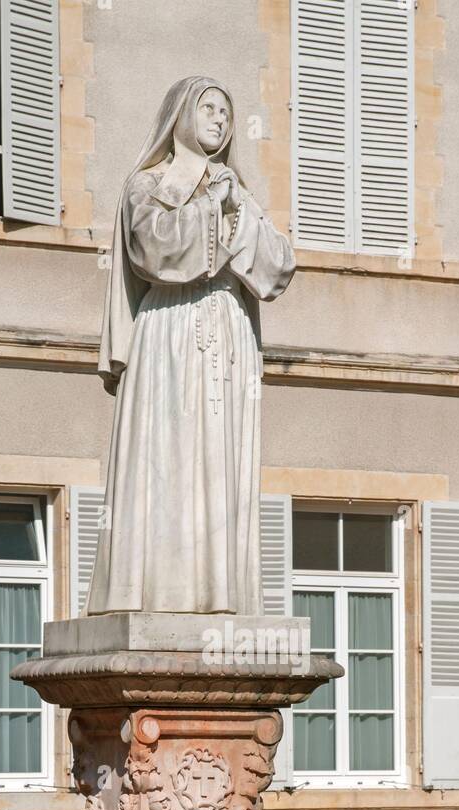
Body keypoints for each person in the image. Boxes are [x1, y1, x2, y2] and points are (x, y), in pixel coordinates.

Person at [87, 76, 296, 617]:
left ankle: (218, 592)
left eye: (227, 112)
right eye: (209, 108)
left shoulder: (237, 191)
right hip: (170, 331)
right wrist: (211, 212)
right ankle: (158, 590)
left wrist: (234, 210)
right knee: (168, 454)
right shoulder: (147, 185)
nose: (220, 119)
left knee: (219, 458)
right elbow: (153, 251)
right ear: (181, 115)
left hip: (229, 332)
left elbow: (277, 268)